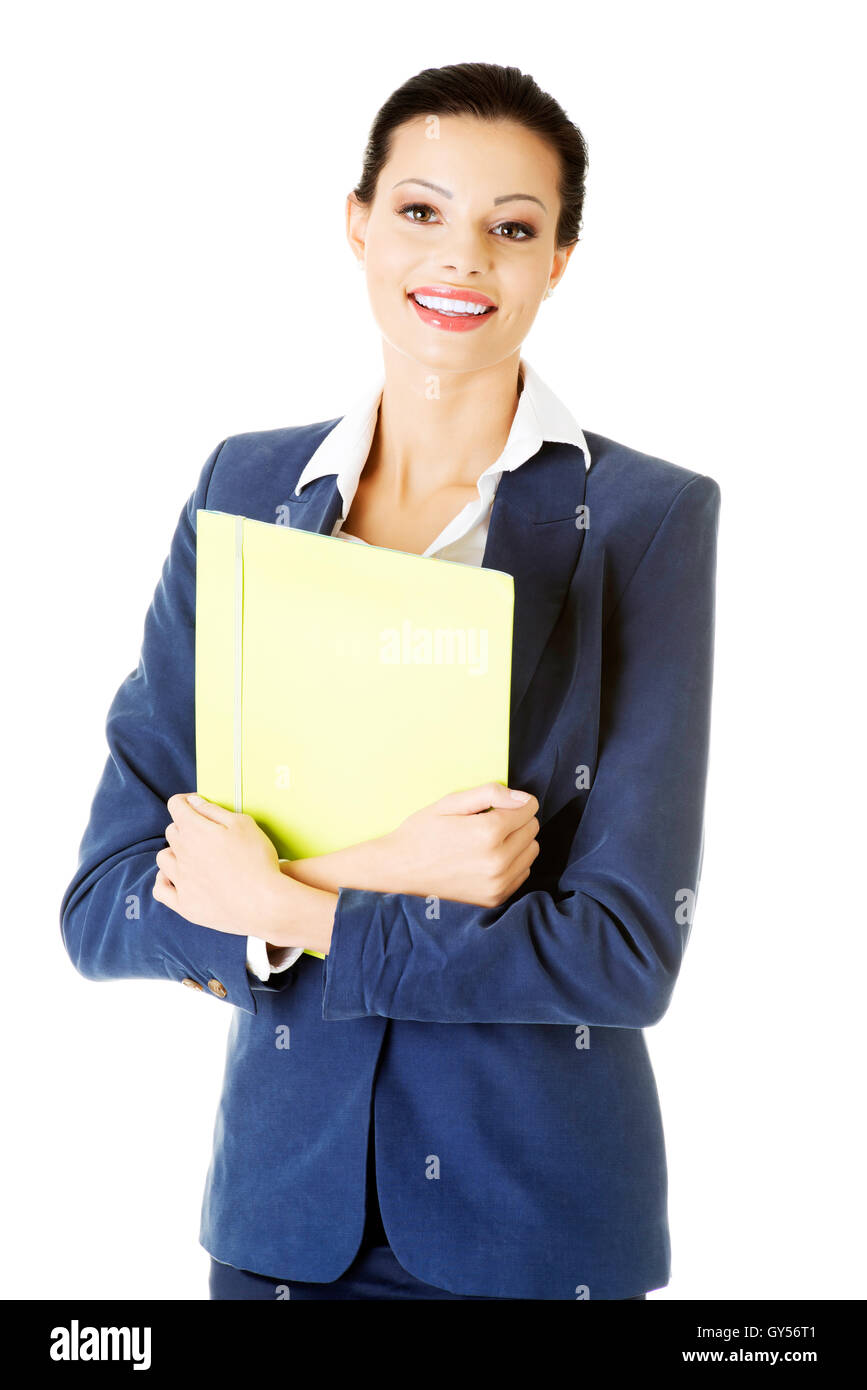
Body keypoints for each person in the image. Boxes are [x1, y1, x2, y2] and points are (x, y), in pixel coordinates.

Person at [60, 61, 720, 1301]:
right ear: (357, 220)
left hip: (537, 1233)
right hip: (277, 1237)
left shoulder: (644, 520)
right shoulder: (243, 490)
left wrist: (293, 905)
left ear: (558, 259)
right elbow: (102, 905)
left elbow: (624, 954)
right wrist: (396, 869)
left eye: (511, 227)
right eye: (421, 211)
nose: (461, 258)